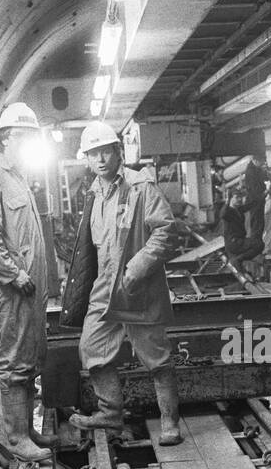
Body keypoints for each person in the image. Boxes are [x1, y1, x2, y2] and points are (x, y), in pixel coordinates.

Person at [58, 122, 184, 447]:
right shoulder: (94, 195)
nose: (100, 159)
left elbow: (166, 230)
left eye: (105, 151)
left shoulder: (141, 187)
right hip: (104, 290)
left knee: (157, 359)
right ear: (86, 160)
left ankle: (170, 422)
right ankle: (110, 412)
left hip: (136, 289)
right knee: (91, 347)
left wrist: (139, 266)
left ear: (117, 152)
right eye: (93, 154)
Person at [0, 101, 54, 464]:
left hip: (31, 289)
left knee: (31, 359)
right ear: (6, 138)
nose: (29, 143)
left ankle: (28, 430)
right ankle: (17, 438)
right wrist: (14, 274)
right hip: (14, 288)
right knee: (15, 361)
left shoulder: (17, 176)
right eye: (24, 136)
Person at [243, 151, 268, 250]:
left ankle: (256, 244)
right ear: (256, 160)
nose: (263, 163)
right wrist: (264, 193)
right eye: (261, 161)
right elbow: (255, 189)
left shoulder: (254, 168)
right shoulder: (251, 171)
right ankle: (256, 245)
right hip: (255, 201)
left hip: (256, 200)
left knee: (257, 223)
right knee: (257, 223)